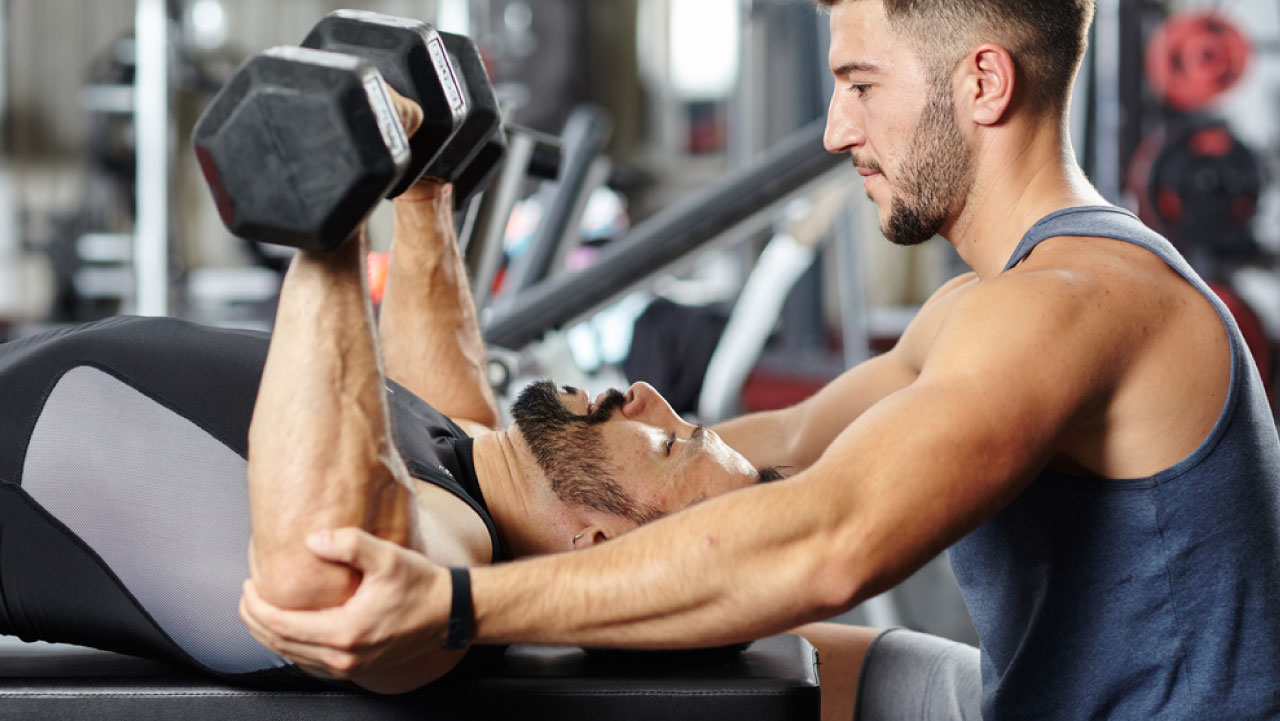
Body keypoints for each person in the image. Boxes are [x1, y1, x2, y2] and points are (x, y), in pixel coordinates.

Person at [241, 0, 1280, 718]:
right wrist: (497, 465)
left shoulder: (1070, 306)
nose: (835, 130)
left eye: (860, 84)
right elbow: (756, 450)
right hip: (1012, 693)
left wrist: (458, 608)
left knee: (672, 651)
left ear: (981, 82)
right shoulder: (988, 303)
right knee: (680, 659)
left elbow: (828, 543)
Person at [0, 93, 769, 692]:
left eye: (668, 443)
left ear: (598, 543)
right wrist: (425, 184)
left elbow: (327, 577)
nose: (643, 394)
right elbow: (445, 384)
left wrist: (330, 211)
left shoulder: (441, 566)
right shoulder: (470, 476)